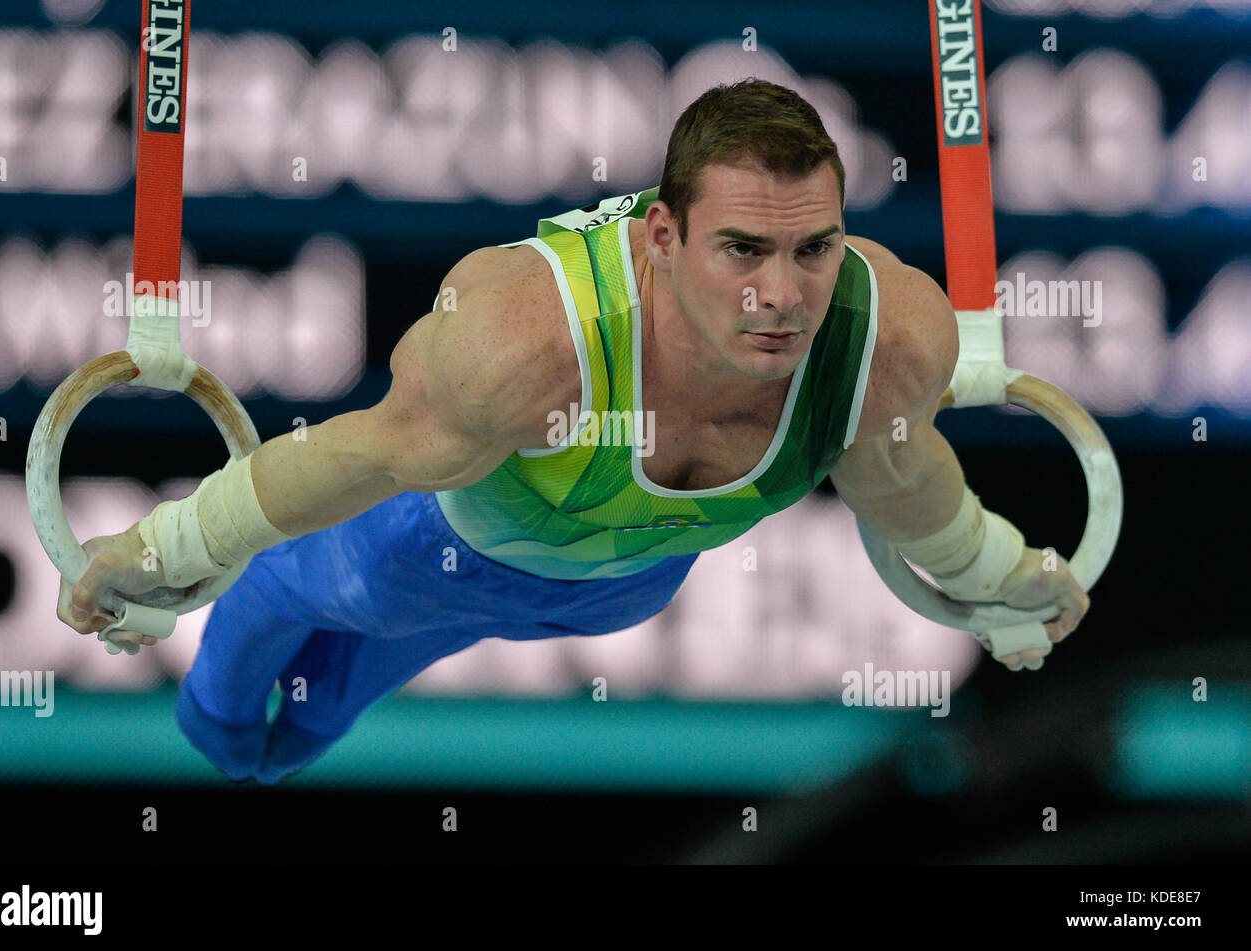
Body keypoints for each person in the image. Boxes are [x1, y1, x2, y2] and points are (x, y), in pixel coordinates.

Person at [56, 78, 1089, 784]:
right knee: (251, 713)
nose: (782, 296)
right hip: (426, 552)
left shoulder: (880, 344)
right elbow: (353, 457)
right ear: (661, 235)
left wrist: (1003, 569)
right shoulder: (527, 343)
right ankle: (226, 734)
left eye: (814, 248)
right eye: (740, 250)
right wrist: (162, 553)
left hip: (627, 588)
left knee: (328, 706)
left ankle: (291, 721)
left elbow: (906, 490)